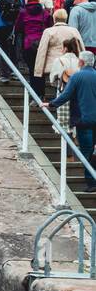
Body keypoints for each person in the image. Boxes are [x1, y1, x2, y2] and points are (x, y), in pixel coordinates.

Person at [49, 51, 96, 192]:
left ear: (80, 62)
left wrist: (51, 104)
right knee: (93, 151)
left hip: (83, 120)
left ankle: (92, 182)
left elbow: (66, 95)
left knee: (86, 151)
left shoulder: (76, 76)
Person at [34, 11, 85, 99]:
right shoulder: (74, 31)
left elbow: (42, 51)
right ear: (66, 19)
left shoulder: (48, 31)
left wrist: (38, 70)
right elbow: (81, 48)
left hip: (53, 66)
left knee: (56, 88)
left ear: (54, 19)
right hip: (71, 65)